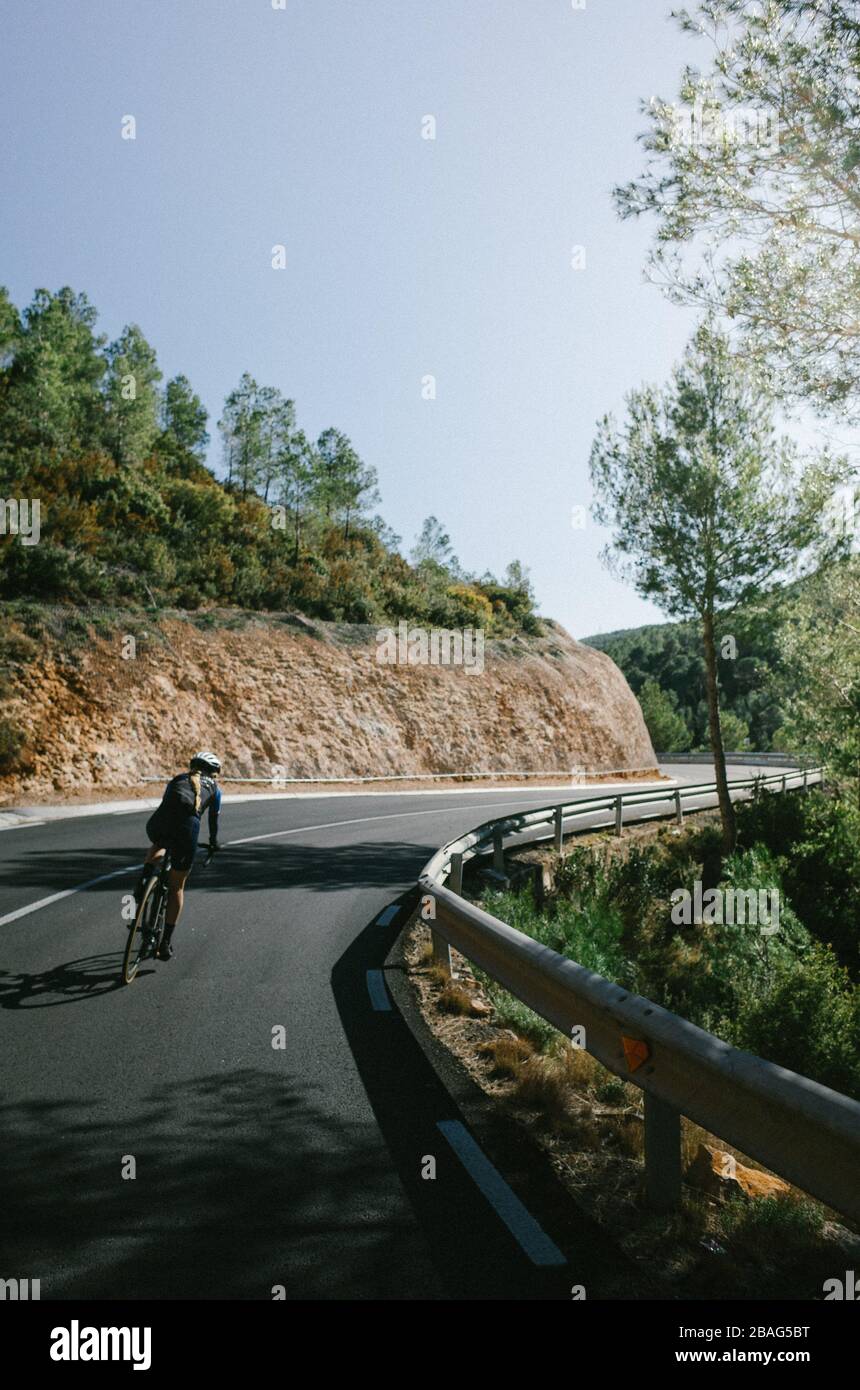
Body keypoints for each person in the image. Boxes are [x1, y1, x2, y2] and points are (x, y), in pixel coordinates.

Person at [132, 751, 222, 961]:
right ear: (214, 772)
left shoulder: (178, 778)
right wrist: (213, 843)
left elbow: (167, 803)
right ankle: (165, 943)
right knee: (177, 886)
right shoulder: (215, 790)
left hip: (160, 821)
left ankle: (145, 877)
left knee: (159, 843)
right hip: (187, 827)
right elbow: (213, 821)